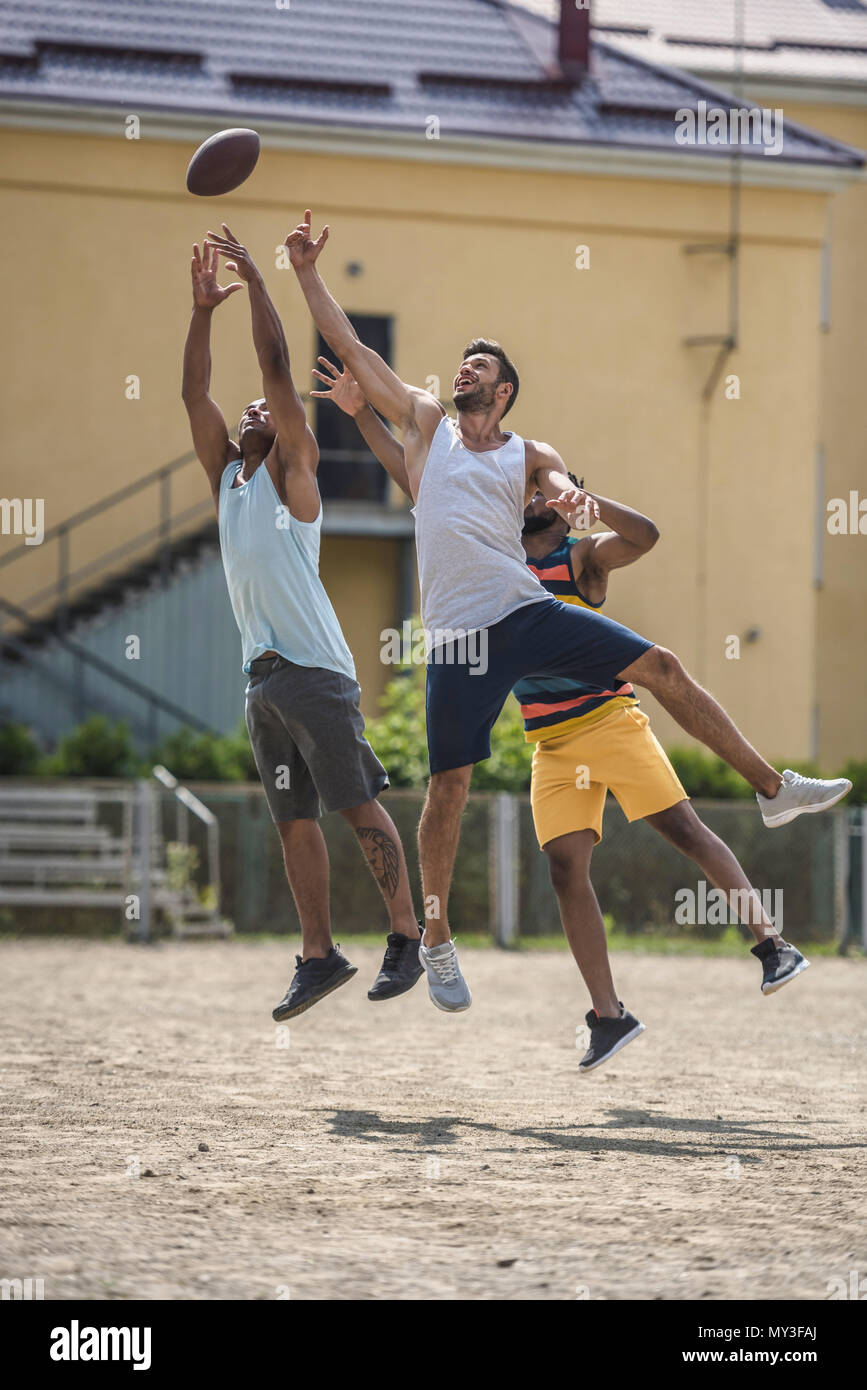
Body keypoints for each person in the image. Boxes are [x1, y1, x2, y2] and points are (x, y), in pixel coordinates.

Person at [288, 211, 850, 1015]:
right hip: (456, 636)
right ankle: (436, 941)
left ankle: (770, 788)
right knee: (447, 790)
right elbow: (351, 348)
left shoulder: (527, 452)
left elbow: (558, 485)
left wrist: (570, 498)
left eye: (475, 365)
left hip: (522, 612)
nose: (461, 370)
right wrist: (307, 272)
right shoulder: (424, 428)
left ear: (503, 388)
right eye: (459, 363)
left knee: (658, 666)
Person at [181, 227, 423, 1021]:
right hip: (263, 683)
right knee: (294, 825)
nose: (255, 407)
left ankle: (405, 935)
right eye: (248, 409)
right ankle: (318, 957)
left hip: (315, 672)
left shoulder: (295, 480)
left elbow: (278, 370)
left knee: (355, 805)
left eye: (268, 411)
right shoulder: (227, 479)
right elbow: (194, 396)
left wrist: (258, 281)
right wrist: (200, 310)